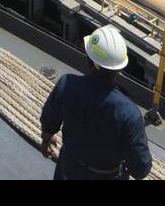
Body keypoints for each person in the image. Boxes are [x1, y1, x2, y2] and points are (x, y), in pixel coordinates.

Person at [39, 25, 152, 180]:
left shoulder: (67, 85)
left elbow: (49, 118)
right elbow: (140, 168)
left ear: (90, 61)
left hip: (68, 169)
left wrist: (47, 138)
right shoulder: (129, 114)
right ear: (119, 68)